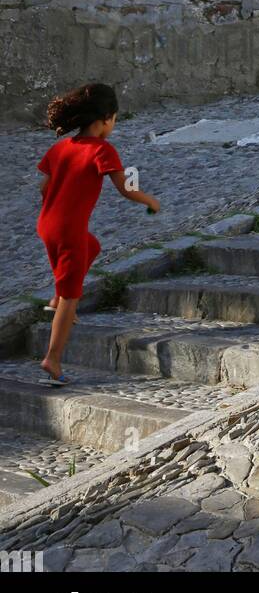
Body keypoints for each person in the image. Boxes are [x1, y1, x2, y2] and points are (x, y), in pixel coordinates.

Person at [36, 83, 160, 384]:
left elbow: (43, 186)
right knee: (71, 296)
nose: (114, 125)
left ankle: (55, 298)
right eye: (115, 120)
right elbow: (125, 188)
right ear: (106, 119)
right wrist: (150, 201)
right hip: (69, 230)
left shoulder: (60, 148)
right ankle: (52, 359)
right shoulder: (102, 150)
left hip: (47, 224)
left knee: (92, 247)